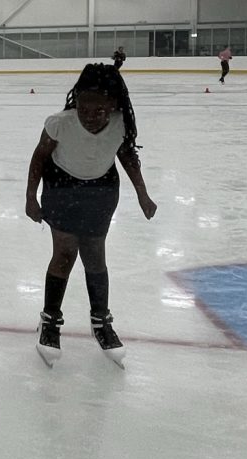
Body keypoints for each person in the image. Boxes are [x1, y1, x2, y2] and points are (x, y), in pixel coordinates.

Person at [25, 63, 156, 367]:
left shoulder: (121, 123)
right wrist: (30, 196)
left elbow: (127, 157)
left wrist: (142, 193)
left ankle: (101, 321)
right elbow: (40, 156)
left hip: (101, 190)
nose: (90, 115)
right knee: (65, 254)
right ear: (77, 100)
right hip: (61, 187)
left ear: (112, 106)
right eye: (85, 107)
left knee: (95, 255)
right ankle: (50, 321)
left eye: (99, 110)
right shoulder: (60, 123)